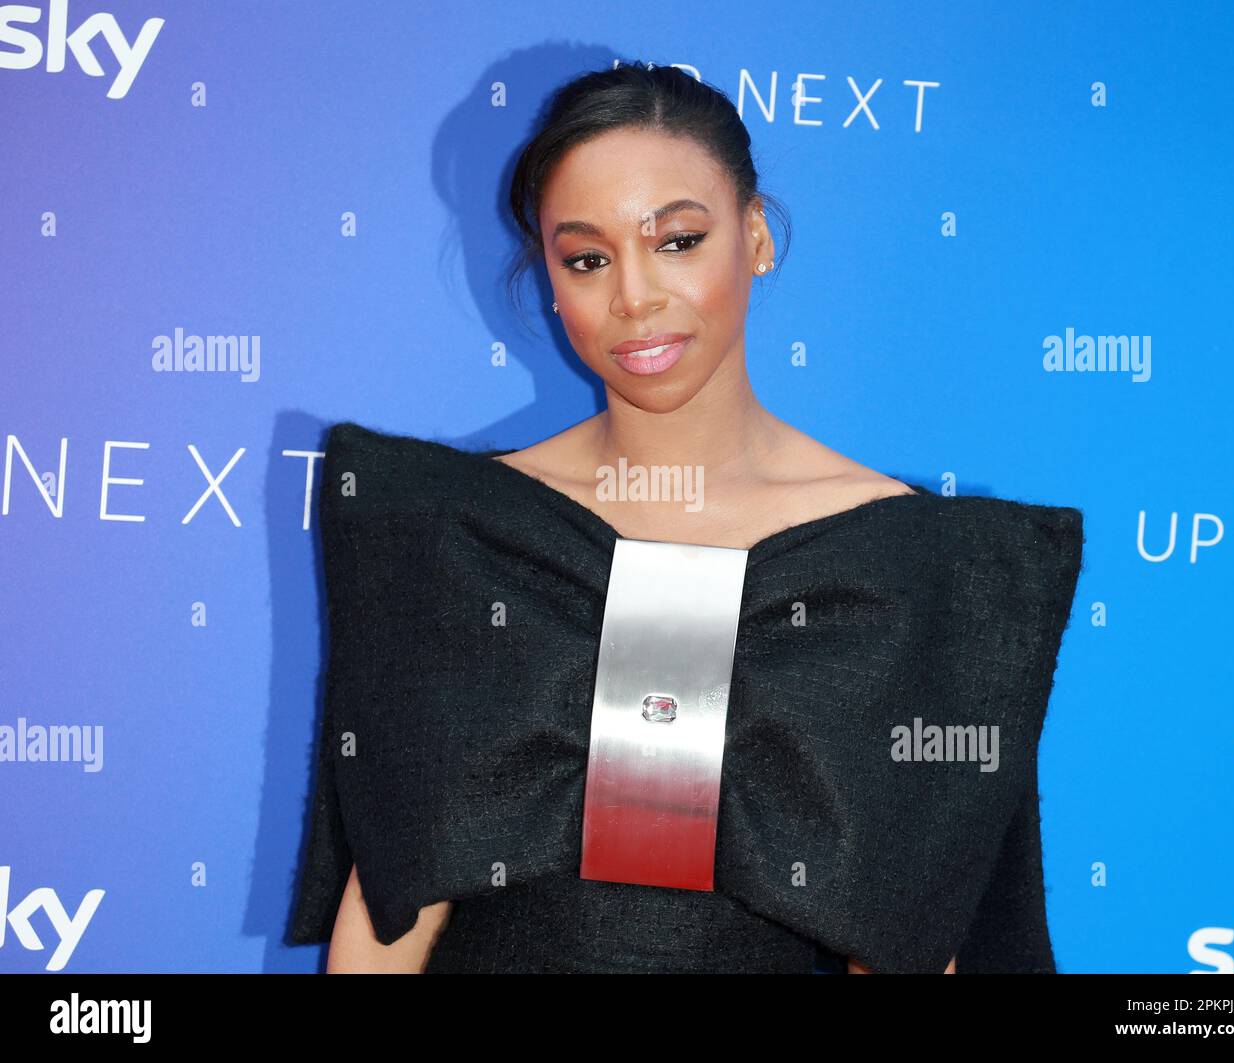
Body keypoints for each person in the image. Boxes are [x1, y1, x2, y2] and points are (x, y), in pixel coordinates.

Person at [288, 62, 1084, 974]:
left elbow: (909, 938)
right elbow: (393, 907)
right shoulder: (461, 537)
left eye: (676, 240)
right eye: (586, 258)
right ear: (549, 280)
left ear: (755, 237)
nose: (634, 296)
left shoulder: (907, 566)